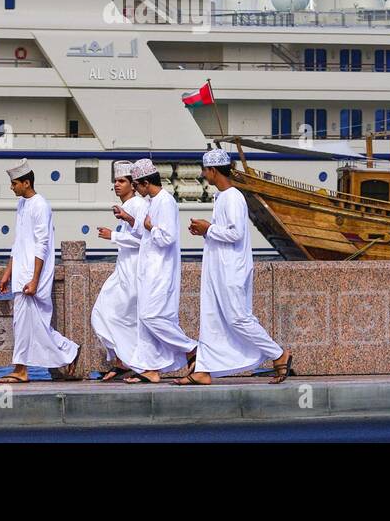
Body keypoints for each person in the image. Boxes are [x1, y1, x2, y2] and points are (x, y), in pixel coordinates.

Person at [175, 148, 293, 385]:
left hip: (232, 271)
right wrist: (205, 231)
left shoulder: (233, 197)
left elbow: (236, 234)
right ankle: (203, 370)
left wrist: (208, 229)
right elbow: (224, 234)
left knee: (238, 318)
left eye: (205, 170)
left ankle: (279, 354)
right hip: (219, 269)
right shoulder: (222, 197)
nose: (203, 174)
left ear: (213, 170)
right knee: (212, 317)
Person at [0, 159, 79, 384]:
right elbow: (19, 241)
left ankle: (21, 369)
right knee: (28, 324)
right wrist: (7, 273)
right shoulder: (22, 204)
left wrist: (34, 280)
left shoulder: (40, 205)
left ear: (26, 182)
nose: (12, 187)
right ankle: (68, 350)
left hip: (33, 276)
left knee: (28, 323)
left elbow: (42, 243)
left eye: (14, 183)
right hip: (22, 272)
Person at [119, 158, 197, 384]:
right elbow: (145, 232)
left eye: (136, 185)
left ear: (144, 183)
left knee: (151, 317)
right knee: (145, 322)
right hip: (149, 270)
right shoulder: (154, 202)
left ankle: (192, 349)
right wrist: (135, 222)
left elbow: (167, 237)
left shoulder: (165, 201)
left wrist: (150, 226)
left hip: (160, 270)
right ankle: (149, 369)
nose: (135, 189)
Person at [90, 162, 147, 381]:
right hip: (121, 270)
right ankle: (123, 360)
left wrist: (112, 235)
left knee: (121, 318)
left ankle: (136, 363)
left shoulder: (138, 206)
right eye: (115, 181)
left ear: (133, 185)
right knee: (100, 313)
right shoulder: (129, 206)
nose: (117, 185)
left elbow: (143, 240)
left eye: (121, 181)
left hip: (133, 272)